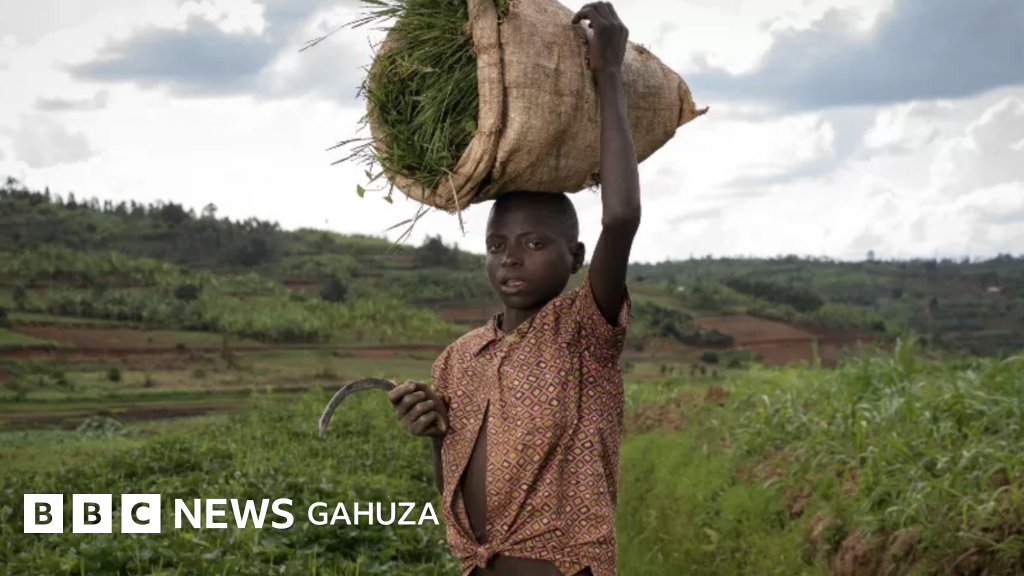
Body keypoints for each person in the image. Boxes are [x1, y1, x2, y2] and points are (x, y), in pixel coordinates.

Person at [389, 3, 638, 575]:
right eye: (497, 245)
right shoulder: (457, 359)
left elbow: (621, 216)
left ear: (576, 258)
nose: (511, 259)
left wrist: (609, 76)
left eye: (534, 244)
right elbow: (450, 486)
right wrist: (430, 431)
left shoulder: (583, 332)